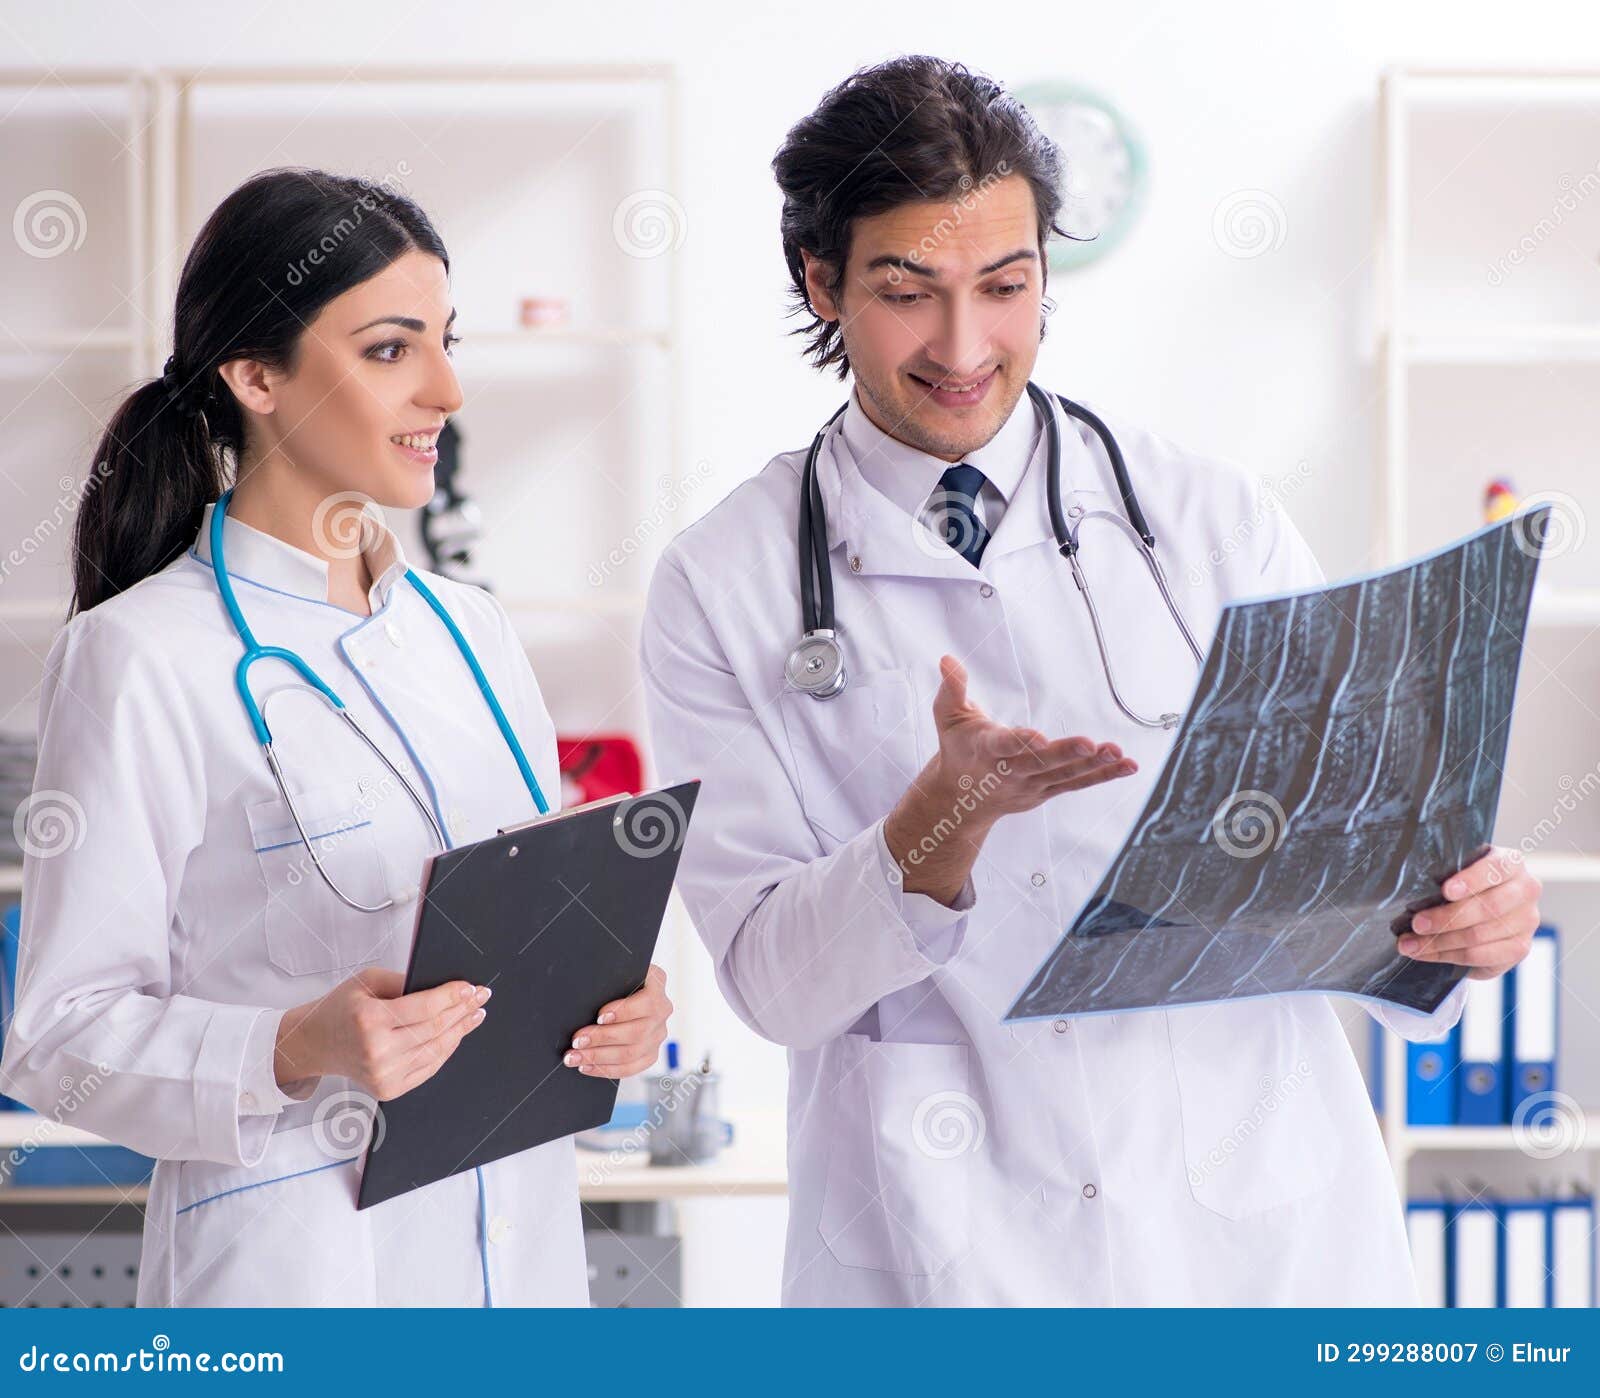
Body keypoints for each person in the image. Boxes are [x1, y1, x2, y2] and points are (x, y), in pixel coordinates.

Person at [639, 56, 1541, 1306]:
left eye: (1005, 287)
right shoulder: (719, 583)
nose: (966, 346)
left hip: (1256, 1246)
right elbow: (772, 987)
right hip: (934, 1254)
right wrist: (930, 830)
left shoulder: (1208, 522)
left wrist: (1460, 920)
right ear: (821, 283)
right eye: (909, 292)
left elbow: (1369, 859)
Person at [0, 168, 671, 1308]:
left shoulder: (473, 633)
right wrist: (291, 1045)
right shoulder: (143, 655)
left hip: (518, 1268)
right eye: (391, 348)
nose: (448, 389)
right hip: (293, 1284)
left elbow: (523, 922)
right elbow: (58, 1042)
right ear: (255, 375)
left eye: (446, 342)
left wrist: (613, 1002)